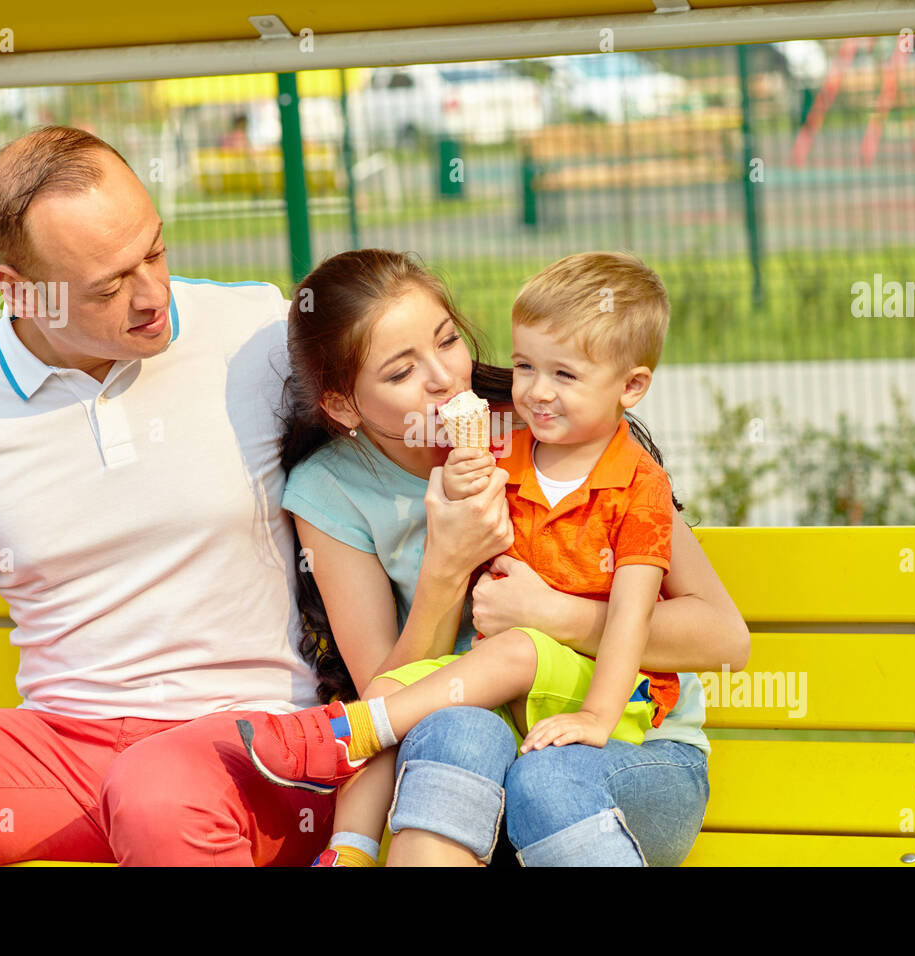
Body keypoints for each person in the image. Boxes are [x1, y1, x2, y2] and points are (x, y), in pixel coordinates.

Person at [0, 126, 339, 865]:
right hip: (66, 755)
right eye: (109, 286)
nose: (153, 295)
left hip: (257, 741)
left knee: (159, 797)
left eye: (153, 251)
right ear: (17, 289)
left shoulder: (259, 332)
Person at [268, 248, 750, 866]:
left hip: (628, 748)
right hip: (485, 753)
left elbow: (726, 640)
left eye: (447, 341)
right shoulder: (331, 493)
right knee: (449, 726)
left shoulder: (554, 434)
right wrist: (446, 565)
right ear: (342, 406)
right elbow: (390, 698)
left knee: (544, 776)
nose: (444, 378)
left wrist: (548, 613)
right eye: (400, 372)